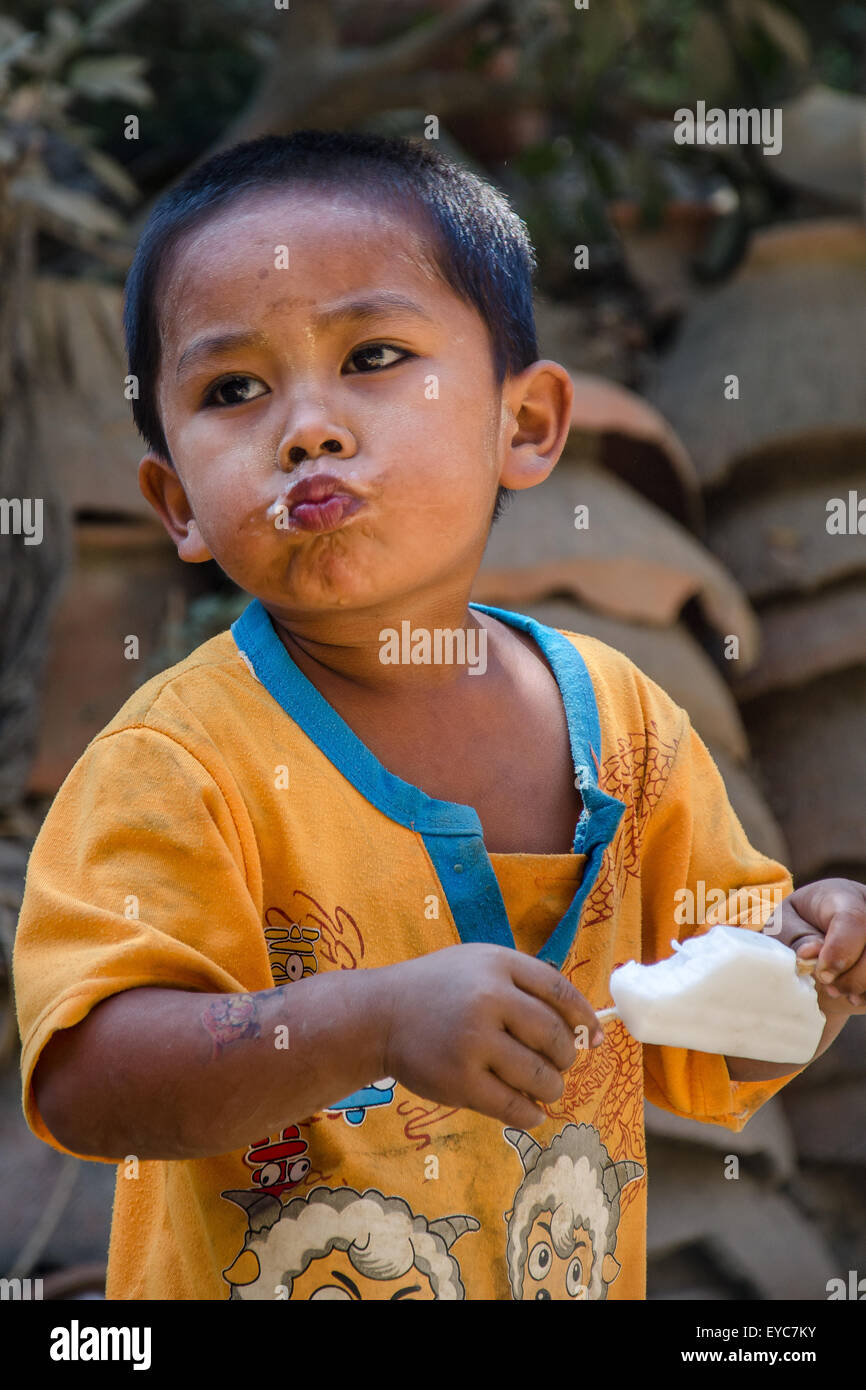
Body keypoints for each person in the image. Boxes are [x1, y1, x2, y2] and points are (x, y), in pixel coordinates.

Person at [13, 131, 866, 1301]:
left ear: (522, 426)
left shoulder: (627, 729)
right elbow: (88, 1082)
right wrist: (362, 1022)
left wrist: (806, 974)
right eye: (232, 389)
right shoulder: (180, 760)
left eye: (372, 354)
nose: (304, 427)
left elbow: (708, 1047)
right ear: (176, 503)